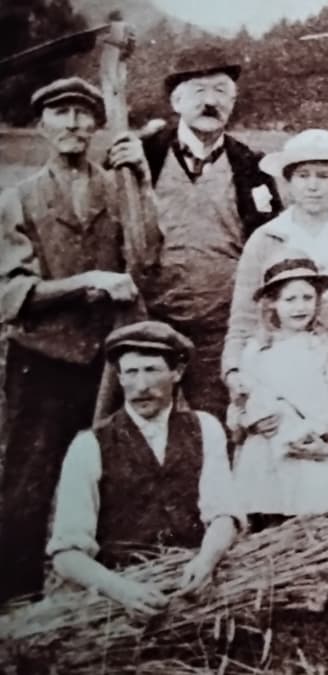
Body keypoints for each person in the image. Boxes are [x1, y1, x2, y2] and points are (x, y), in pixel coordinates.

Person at [0, 78, 155, 603]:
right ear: (41, 124)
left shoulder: (119, 187)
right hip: (42, 360)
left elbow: (147, 259)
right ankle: (16, 599)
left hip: (109, 360)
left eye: (83, 114)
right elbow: (13, 293)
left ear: (96, 125)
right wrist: (88, 281)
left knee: (112, 474)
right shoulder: (18, 199)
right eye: (60, 112)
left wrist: (142, 182)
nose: (72, 124)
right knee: (29, 477)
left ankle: (109, 592)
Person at [46, 321, 241, 614]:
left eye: (151, 370)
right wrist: (121, 591)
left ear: (177, 373)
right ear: (119, 378)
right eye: (131, 372)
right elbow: (67, 554)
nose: (141, 386)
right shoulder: (89, 445)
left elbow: (223, 514)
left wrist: (206, 561)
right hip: (120, 597)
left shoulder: (205, 428)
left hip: (193, 587)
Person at [135, 45, 284, 417]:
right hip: (150, 318)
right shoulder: (143, 156)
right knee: (146, 418)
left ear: (233, 102)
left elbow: (269, 243)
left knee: (216, 422)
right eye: (199, 91)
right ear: (176, 101)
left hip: (222, 325)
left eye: (220, 91)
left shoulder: (252, 167)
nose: (210, 102)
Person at [224, 129, 328, 396]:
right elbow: (244, 316)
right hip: (277, 367)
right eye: (303, 175)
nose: (313, 186)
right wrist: (234, 369)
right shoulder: (267, 238)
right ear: (288, 181)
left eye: (324, 176)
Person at [228, 258, 328, 531]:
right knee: (268, 524)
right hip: (267, 456)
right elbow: (241, 401)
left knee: (317, 525)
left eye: (307, 298)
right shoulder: (256, 351)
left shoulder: (326, 348)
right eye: (290, 299)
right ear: (272, 304)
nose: (300, 307)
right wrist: (250, 421)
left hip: (314, 453)